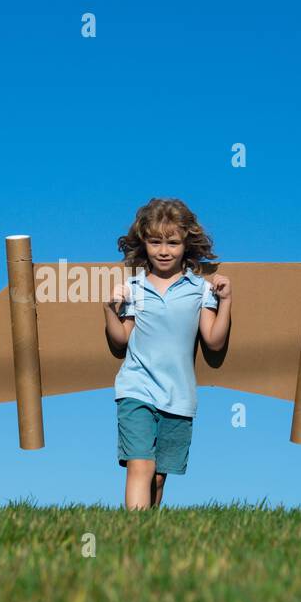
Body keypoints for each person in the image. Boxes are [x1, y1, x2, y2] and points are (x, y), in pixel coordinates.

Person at [103, 198, 231, 510]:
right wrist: (108, 309)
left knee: (158, 477)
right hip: (136, 389)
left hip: (179, 396)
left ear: (186, 244)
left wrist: (226, 301)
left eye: (172, 243)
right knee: (141, 466)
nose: (164, 250)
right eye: (155, 241)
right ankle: (131, 535)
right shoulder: (134, 288)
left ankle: (148, 535)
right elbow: (121, 338)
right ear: (143, 242)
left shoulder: (199, 290)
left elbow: (213, 340)